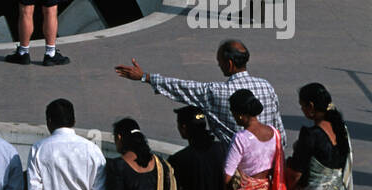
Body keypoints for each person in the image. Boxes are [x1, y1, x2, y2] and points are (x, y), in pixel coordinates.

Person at [115, 38, 287, 149]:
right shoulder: (267, 87)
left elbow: (181, 88)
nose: (218, 65)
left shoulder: (217, 92)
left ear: (228, 64)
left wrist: (145, 77)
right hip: (269, 167)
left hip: (241, 172)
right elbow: (280, 133)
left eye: (219, 62)